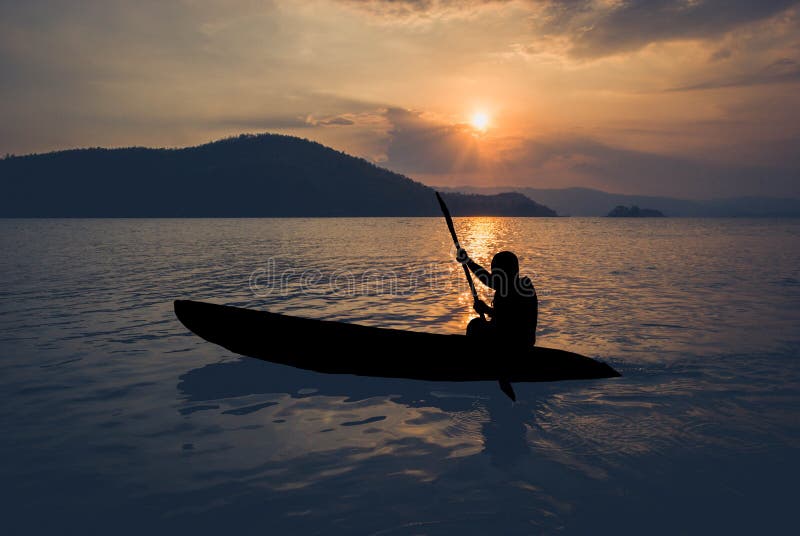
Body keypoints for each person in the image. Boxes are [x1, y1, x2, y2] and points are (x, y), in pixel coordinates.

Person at [456, 248, 538, 347]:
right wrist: (468, 261)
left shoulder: (523, 289)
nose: (493, 276)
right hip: (504, 334)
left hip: (517, 340)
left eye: (496, 272)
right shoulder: (506, 284)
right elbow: (486, 278)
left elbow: (509, 318)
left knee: (475, 326)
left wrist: (486, 309)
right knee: (476, 324)